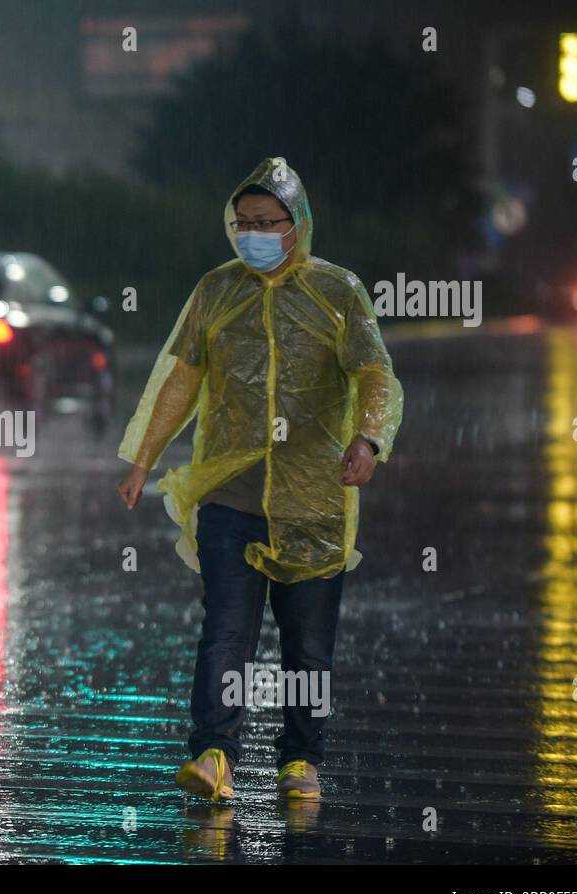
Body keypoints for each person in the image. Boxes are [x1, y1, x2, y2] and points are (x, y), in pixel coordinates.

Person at [115, 157, 403, 801]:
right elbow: (181, 378)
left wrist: (369, 437)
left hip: (314, 496)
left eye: (266, 222)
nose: (253, 233)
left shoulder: (339, 292)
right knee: (224, 629)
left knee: (307, 644)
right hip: (231, 490)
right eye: (242, 223)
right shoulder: (217, 290)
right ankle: (215, 754)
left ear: (297, 224)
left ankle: (301, 762)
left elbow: (374, 374)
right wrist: (144, 458)